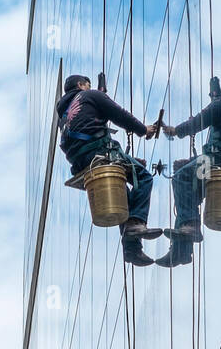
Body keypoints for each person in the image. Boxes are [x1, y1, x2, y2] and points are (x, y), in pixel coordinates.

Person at [154, 79, 221, 268]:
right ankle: (182, 250)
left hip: (220, 160)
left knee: (181, 177)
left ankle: (190, 227)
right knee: (188, 193)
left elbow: (203, 118)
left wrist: (175, 131)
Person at [56, 74, 163, 266]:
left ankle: (132, 250)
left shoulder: (63, 114)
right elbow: (119, 114)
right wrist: (143, 130)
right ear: (81, 85)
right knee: (144, 177)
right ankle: (137, 223)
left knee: (124, 195)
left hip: (81, 162)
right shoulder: (90, 96)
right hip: (100, 152)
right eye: (87, 84)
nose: (89, 87)